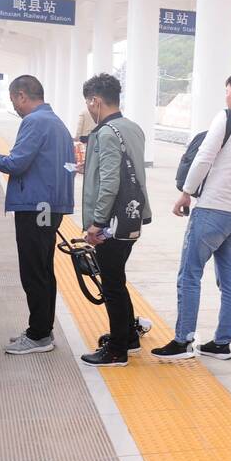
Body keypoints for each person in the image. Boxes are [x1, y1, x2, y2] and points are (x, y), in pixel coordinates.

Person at [151, 71, 231, 361]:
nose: (226, 96)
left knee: (189, 274)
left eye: (228, 90)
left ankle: (184, 340)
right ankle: (222, 343)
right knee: (230, 279)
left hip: (212, 209)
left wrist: (186, 192)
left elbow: (204, 156)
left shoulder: (227, 118)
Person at [0, 75, 75, 355]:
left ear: (21, 95)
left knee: (33, 271)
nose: (14, 106)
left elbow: (16, 164)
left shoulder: (35, 122)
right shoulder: (56, 123)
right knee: (42, 269)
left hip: (36, 207)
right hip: (50, 206)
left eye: (13, 100)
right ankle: (41, 330)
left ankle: (39, 335)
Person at [80, 73, 152, 365]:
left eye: (88, 103)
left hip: (111, 223)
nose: (88, 108)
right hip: (131, 216)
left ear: (96, 100)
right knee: (116, 279)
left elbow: (110, 181)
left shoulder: (107, 133)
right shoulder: (132, 128)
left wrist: (97, 222)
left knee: (111, 283)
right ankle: (128, 338)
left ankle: (117, 350)